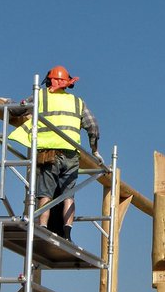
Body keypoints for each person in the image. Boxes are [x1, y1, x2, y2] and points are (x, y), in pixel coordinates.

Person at [9, 65, 102, 242]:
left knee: (45, 193)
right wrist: (94, 150)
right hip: (71, 155)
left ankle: (43, 228)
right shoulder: (77, 102)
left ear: (49, 80)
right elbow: (93, 126)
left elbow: (17, 109)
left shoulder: (40, 96)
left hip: (48, 152)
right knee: (69, 195)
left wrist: (5, 103)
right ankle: (67, 234)